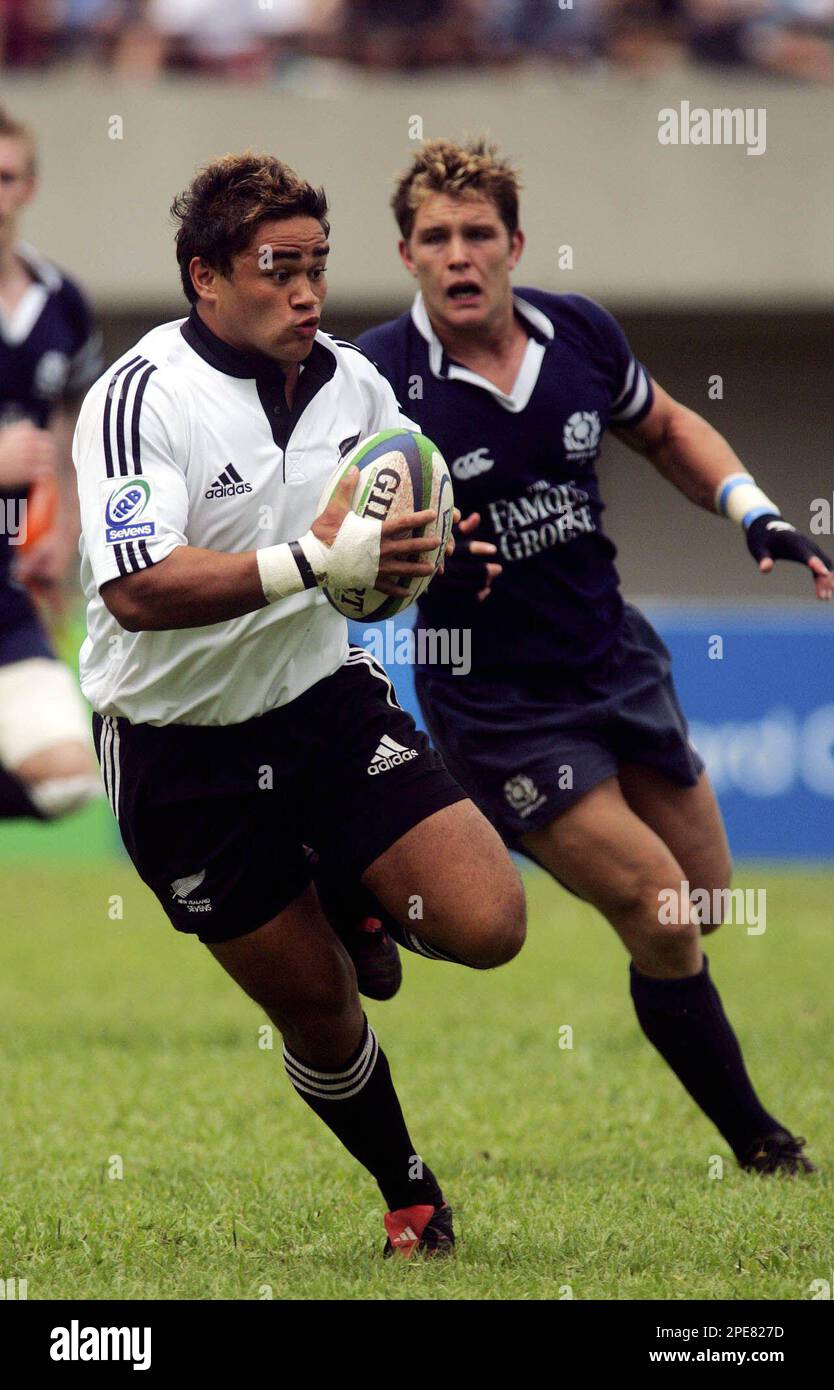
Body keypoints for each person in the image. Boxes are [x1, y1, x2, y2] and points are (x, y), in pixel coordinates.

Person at [73, 152, 526, 1257]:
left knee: (489, 923)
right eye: (278, 268)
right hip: (180, 753)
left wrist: (437, 555)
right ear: (205, 278)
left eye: (318, 267)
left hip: (321, 699)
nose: (307, 292)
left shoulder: (357, 385)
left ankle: (346, 876)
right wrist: (311, 561)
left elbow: (385, 542)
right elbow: (137, 589)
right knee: (321, 1007)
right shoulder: (139, 398)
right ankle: (409, 1188)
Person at [356, 136, 832, 1176]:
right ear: (407, 256)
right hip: (496, 696)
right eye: (435, 237)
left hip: (615, 657)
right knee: (661, 911)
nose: (459, 254)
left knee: (703, 897)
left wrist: (754, 513)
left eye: (478, 232)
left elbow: (665, 428)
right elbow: (334, 527)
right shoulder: (375, 381)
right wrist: (412, 558)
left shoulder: (579, 333)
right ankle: (761, 1142)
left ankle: (422, 854)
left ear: (515, 242)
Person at [0, 106, 103, 824]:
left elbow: (69, 433)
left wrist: (61, 534)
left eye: (5, 177)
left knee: (69, 782)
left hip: (6, 587)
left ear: (29, 187)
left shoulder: (64, 302)